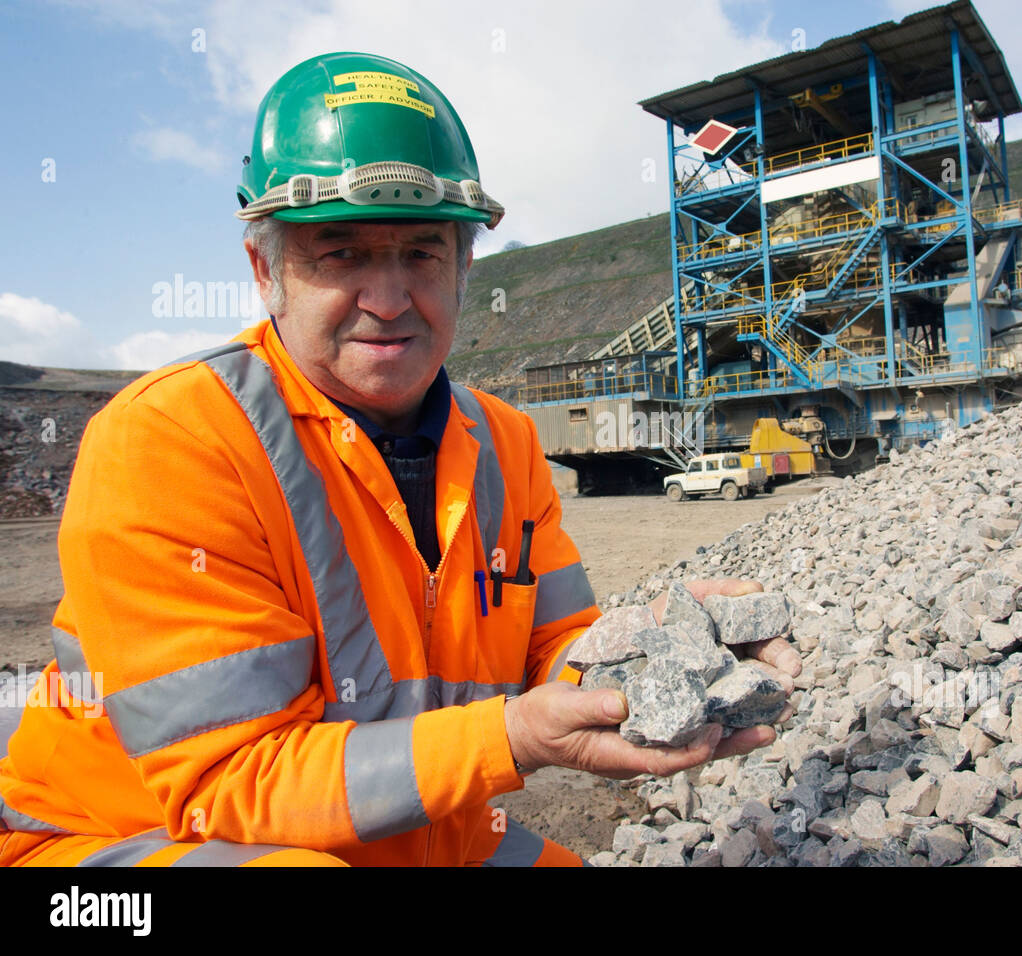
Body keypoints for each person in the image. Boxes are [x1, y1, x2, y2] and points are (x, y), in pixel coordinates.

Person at [0, 52, 799, 867]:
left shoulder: (505, 442)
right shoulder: (174, 441)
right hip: (124, 849)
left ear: (462, 268)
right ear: (264, 272)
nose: (387, 300)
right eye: (340, 254)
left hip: (416, 833)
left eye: (420, 253)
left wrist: (652, 645)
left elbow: (554, 647)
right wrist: (512, 736)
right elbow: (231, 784)